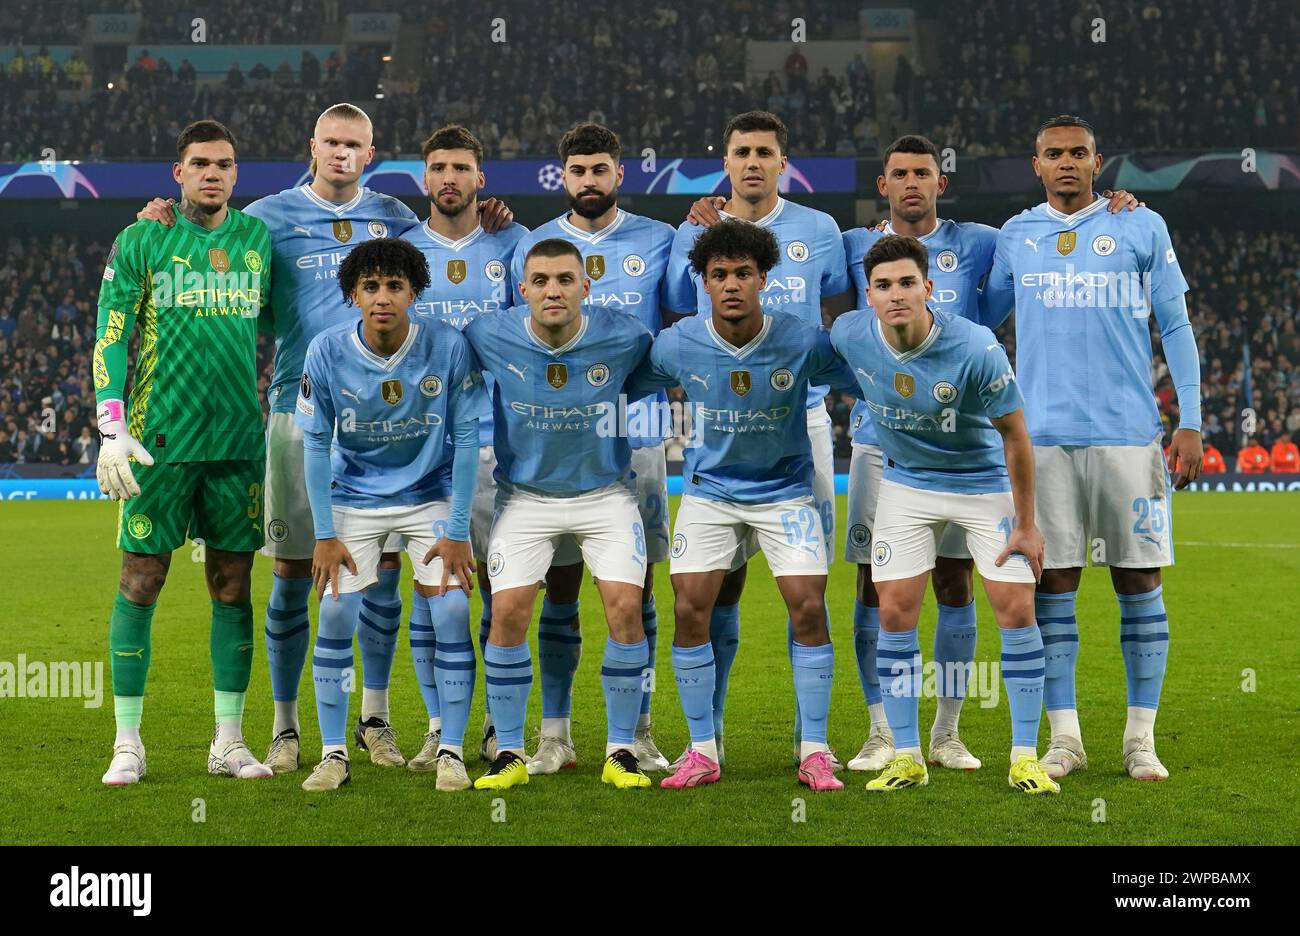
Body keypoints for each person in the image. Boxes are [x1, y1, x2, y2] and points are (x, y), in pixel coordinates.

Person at [133, 103, 514, 774]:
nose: (342, 154)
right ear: (312, 146)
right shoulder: (268, 219)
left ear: (371, 153)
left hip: (387, 423)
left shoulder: (396, 218)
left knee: (384, 572)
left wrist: (493, 218)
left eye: (355, 145)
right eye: (332, 142)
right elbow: (209, 240)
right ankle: (285, 728)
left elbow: (450, 239)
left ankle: (374, 717)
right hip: (297, 412)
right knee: (290, 571)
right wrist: (164, 219)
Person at [839, 135, 1140, 773]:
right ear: (884, 184)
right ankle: (881, 734)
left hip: (968, 443)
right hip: (881, 441)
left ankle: (946, 733)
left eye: (924, 171)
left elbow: (1045, 256)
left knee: (956, 583)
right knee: (877, 588)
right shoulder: (849, 246)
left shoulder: (984, 241)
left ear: (939, 181)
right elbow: (780, 280)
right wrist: (716, 214)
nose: (912, 182)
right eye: (900, 174)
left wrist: (1111, 205)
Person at [982, 115, 1203, 781]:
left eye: (1080, 152)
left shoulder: (1141, 225)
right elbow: (975, 316)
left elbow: (1177, 323)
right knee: (1053, 586)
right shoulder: (1016, 236)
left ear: (1098, 160)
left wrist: (1190, 418)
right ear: (1037, 164)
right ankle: (1066, 739)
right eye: (1056, 154)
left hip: (1129, 437)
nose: (1069, 162)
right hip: (1041, 442)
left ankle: (1141, 740)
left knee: (1139, 581)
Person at [632, 220, 856, 792]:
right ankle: (702, 748)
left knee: (808, 607)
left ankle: (814, 749)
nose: (731, 284)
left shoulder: (803, 340)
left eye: (743, 274)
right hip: (710, 495)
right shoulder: (679, 342)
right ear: (703, 282)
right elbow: (623, 382)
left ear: (763, 279)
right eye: (718, 275)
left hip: (785, 494)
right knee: (689, 610)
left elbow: (867, 374)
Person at [834, 233, 1055, 794]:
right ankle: (907, 756)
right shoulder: (849, 334)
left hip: (983, 485)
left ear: (928, 288)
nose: (896, 294)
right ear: (868, 295)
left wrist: (1027, 525)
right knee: (895, 612)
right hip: (907, 485)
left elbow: (1016, 436)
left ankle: (1024, 756)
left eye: (907, 282)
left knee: (1015, 609)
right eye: (883, 285)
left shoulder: (976, 346)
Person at [669, 110, 853, 767]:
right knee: (715, 588)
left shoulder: (820, 231)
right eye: (741, 151)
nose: (752, 161)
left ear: (783, 160)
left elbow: (846, 308)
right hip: (716, 426)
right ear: (726, 157)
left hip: (801, 424)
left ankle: (812, 743)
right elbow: (669, 307)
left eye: (764, 152)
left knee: (806, 587)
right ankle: (707, 736)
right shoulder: (694, 230)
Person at [96, 120, 274, 786]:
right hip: (158, 443)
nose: (213, 174)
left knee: (232, 584)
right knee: (141, 581)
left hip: (236, 442)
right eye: (200, 163)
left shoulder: (258, 239)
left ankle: (228, 742)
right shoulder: (144, 238)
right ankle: (127, 743)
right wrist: (111, 425)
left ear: (236, 173)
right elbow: (111, 333)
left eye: (225, 164)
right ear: (177, 173)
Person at [504, 123, 675, 775]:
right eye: (578, 170)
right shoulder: (533, 245)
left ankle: (640, 727)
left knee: (640, 590)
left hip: (641, 436)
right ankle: (555, 733)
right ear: (562, 176)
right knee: (561, 587)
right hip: (554, 448)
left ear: (619, 173)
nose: (589, 180)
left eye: (600, 168)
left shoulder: (658, 239)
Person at [464, 238, 655, 791]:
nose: (553, 290)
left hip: (606, 496)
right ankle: (509, 751)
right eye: (542, 280)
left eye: (565, 280)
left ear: (585, 287)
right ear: (522, 290)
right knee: (507, 615)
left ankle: (621, 750)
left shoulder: (625, 335)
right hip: (525, 499)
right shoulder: (488, 333)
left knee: (625, 607)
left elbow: (660, 372)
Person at [295, 238, 485, 793]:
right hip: (355, 498)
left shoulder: (447, 346)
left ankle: (450, 749)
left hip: (431, 493)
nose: (383, 298)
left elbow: (469, 438)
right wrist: (325, 535)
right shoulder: (326, 350)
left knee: (451, 612)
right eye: (371, 286)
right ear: (353, 293)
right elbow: (314, 444)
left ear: (414, 293)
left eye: (395, 286)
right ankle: (333, 752)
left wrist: (456, 532)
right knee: (333, 616)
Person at [397, 124, 527, 770]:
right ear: (425, 179)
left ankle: (499, 729)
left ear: (482, 178)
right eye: (439, 167)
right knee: (434, 592)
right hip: (422, 448)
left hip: (501, 446)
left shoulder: (513, 243)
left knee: (502, 589)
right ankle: (440, 723)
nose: (449, 178)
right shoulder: (400, 252)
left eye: (462, 168)